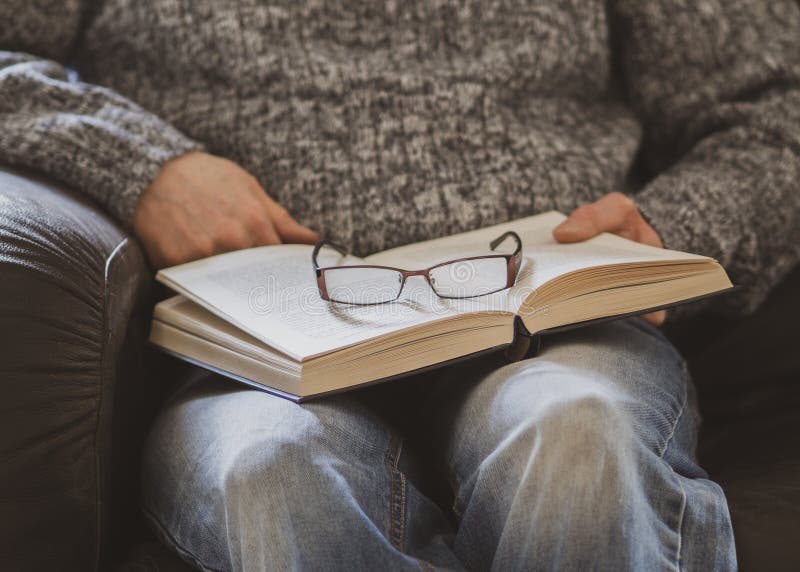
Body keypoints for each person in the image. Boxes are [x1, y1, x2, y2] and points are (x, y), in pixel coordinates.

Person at [2, 1, 798, 569]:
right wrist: (146, 167)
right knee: (269, 477)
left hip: (552, 324)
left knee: (576, 441)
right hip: (263, 354)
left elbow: (777, 104)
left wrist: (673, 227)